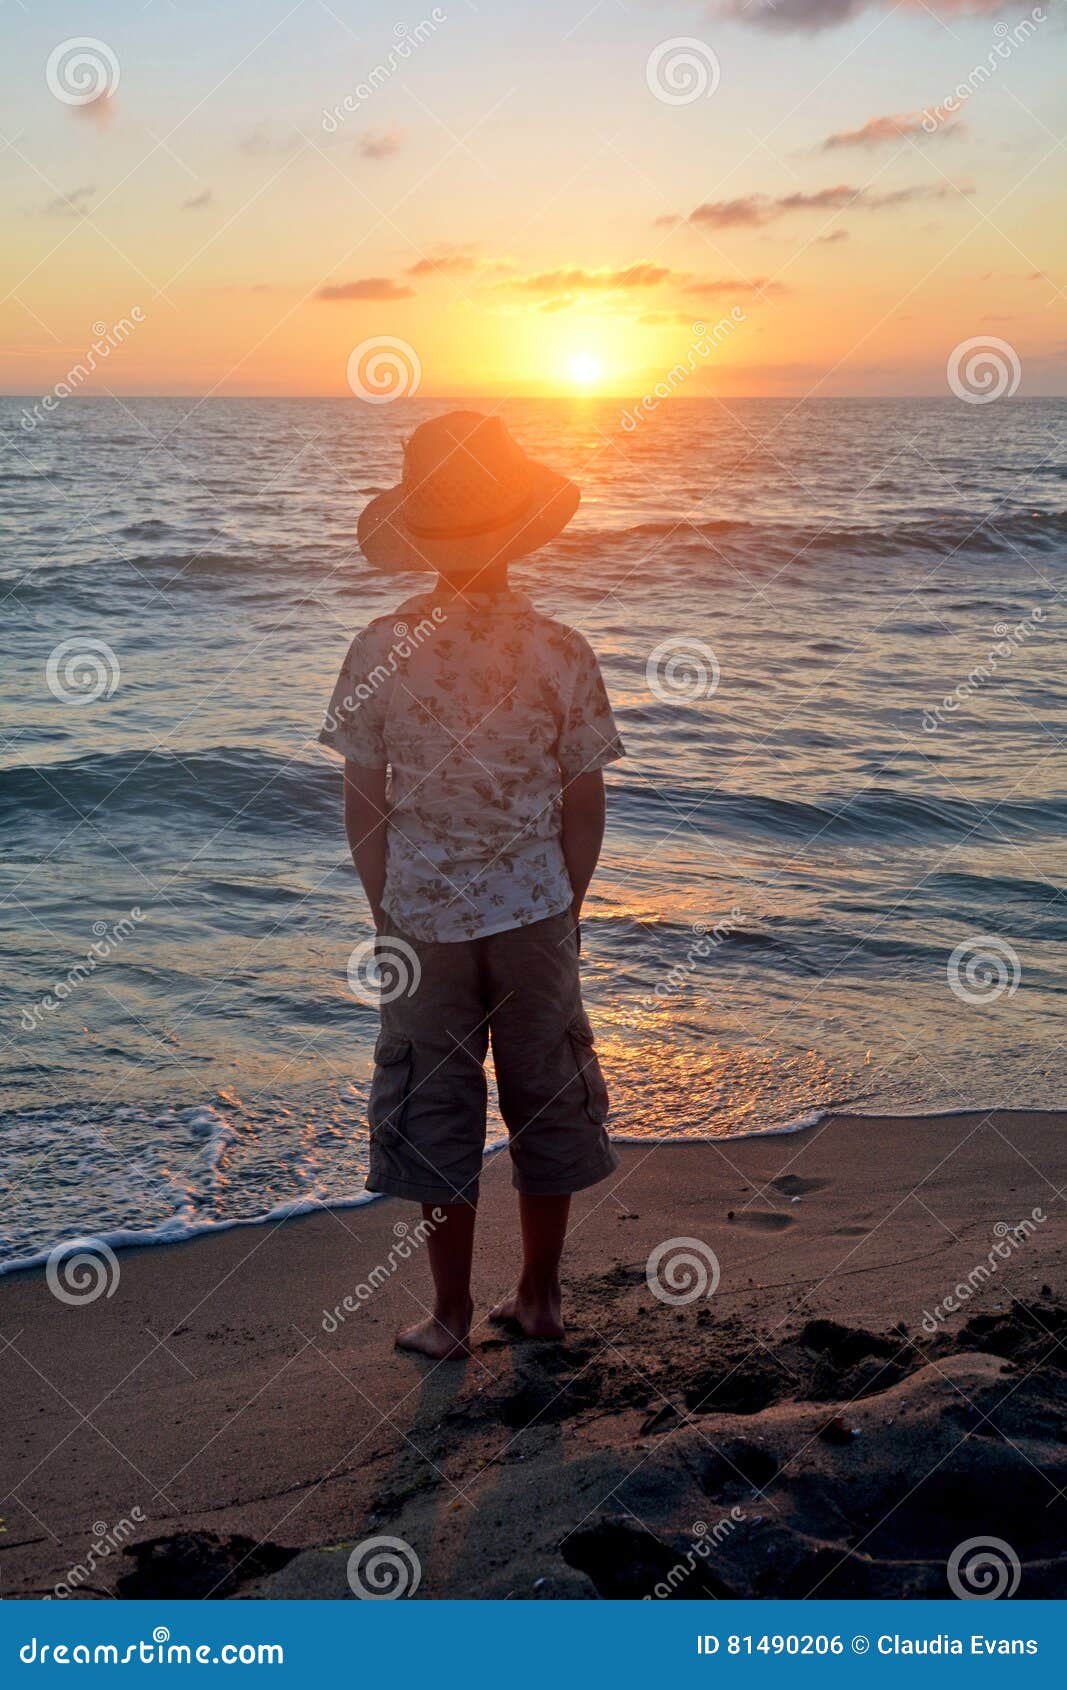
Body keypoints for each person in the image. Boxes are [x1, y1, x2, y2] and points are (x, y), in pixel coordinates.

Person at [319, 410, 624, 1359]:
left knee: (432, 1098)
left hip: (422, 918)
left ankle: (449, 1318)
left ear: (422, 539)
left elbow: (364, 803)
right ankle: (538, 1298)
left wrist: (384, 908)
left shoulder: (378, 650)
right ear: (518, 526)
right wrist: (566, 904)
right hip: (533, 909)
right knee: (545, 1091)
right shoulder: (560, 648)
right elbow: (583, 799)